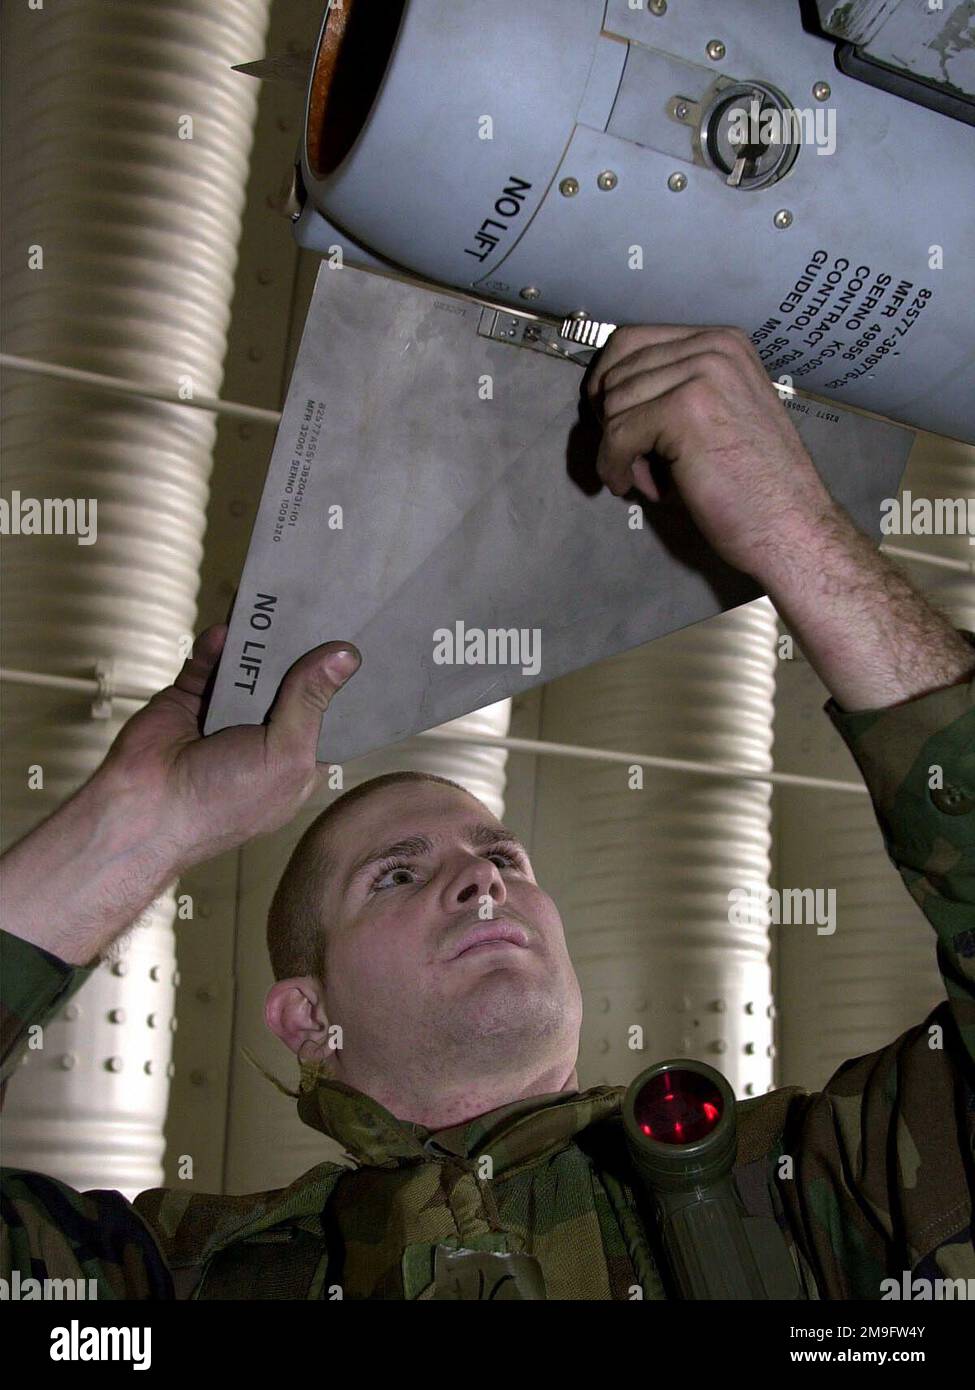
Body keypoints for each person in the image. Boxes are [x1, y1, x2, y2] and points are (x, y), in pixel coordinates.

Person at [2, 327, 972, 1300]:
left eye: (503, 855)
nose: (484, 879)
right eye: (397, 874)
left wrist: (797, 532)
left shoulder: (811, 1189)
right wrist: (141, 822)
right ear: (308, 1015)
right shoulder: (194, 1280)